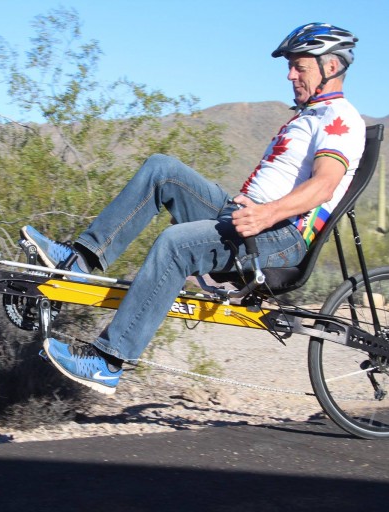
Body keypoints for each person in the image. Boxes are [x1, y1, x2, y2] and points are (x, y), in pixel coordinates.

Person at [22, 22, 365, 395]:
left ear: (330, 67)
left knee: (176, 244)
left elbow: (324, 185)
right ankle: (80, 262)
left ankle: (108, 362)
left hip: (281, 236)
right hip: (245, 216)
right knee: (162, 170)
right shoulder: (308, 116)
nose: (290, 74)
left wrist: (267, 213)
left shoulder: (341, 118)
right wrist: (253, 206)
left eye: (299, 66)